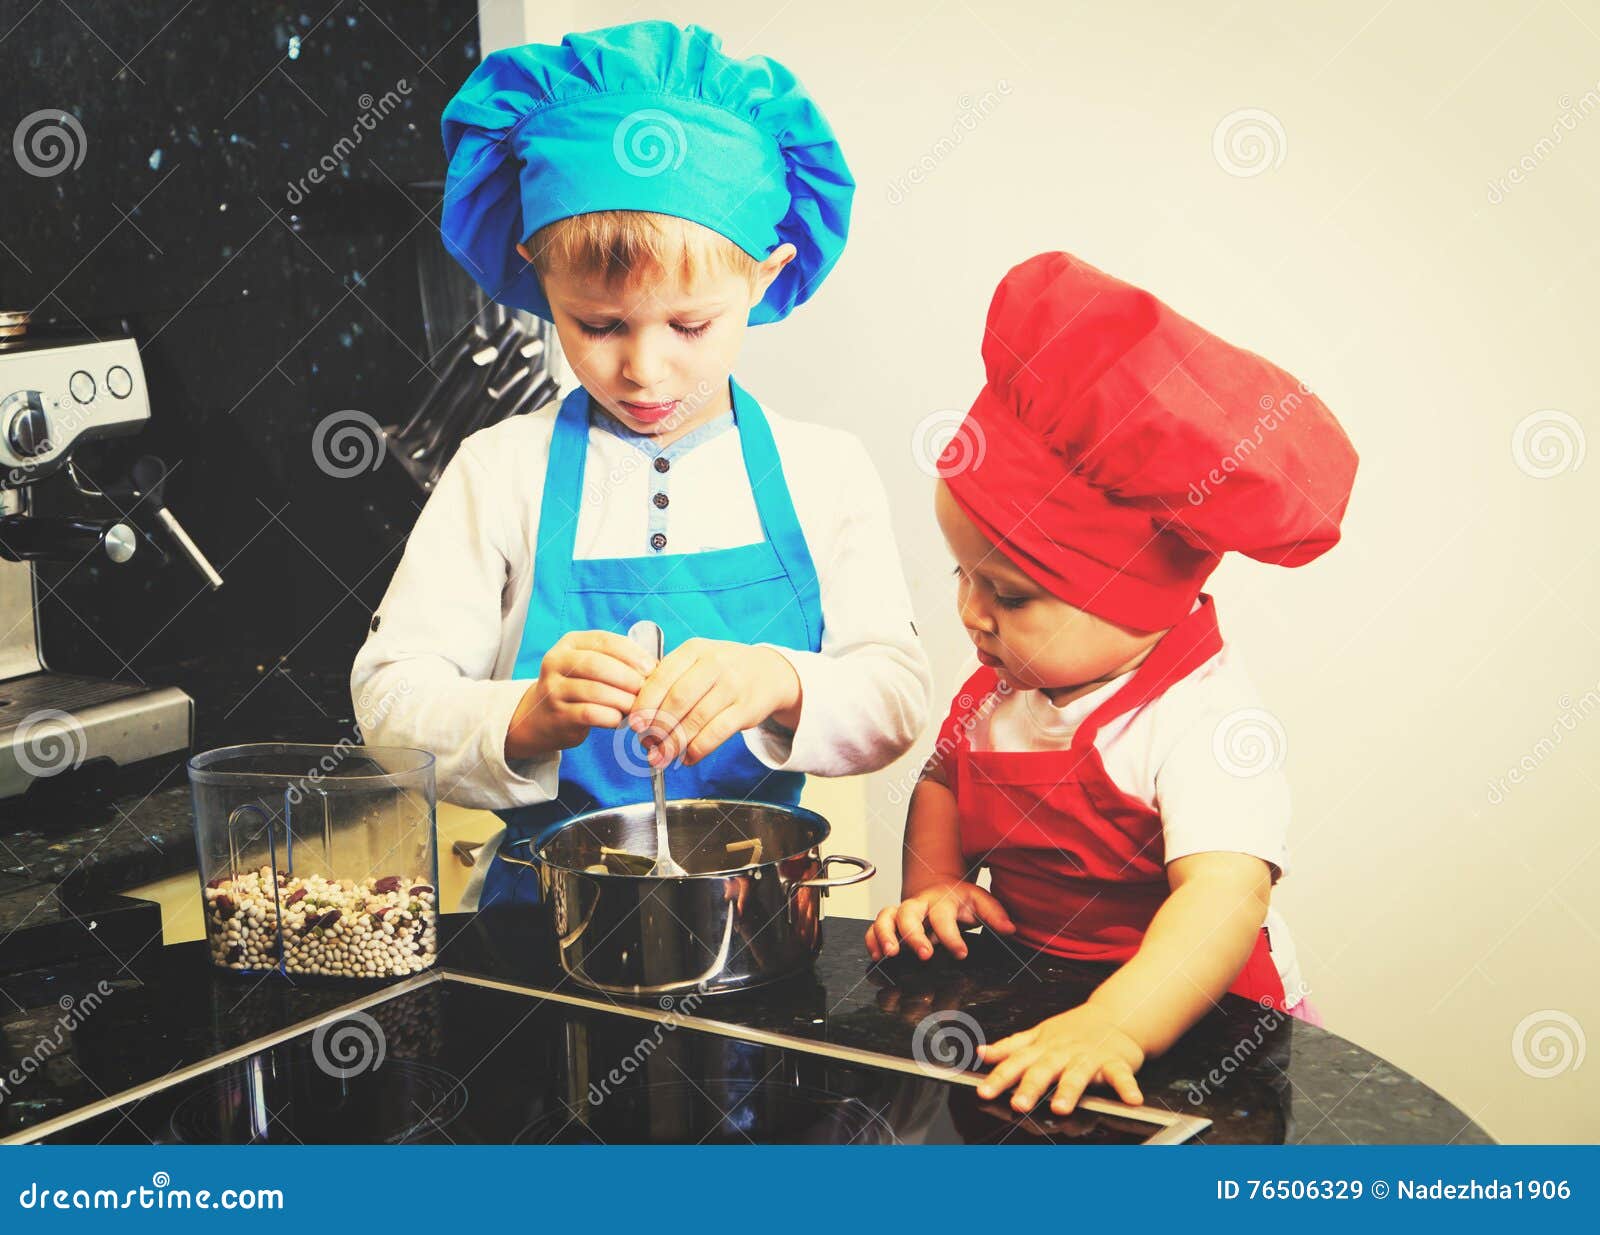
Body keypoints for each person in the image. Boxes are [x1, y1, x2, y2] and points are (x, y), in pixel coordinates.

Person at [352, 22, 931, 908]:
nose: (644, 369)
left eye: (689, 326)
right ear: (535, 277)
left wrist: (779, 680)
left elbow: (894, 699)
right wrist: (523, 716)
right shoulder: (497, 471)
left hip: (757, 918)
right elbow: (390, 702)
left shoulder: (827, 471)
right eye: (598, 325)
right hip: (541, 930)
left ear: (766, 280)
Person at [868, 250, 1358, 1114]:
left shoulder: (1201, 722)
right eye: (963, 577)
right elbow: (944, 778)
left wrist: (1120, 1025)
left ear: (1138, 600)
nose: (973, 614)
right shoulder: (1001, 682)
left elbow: (1223, 895)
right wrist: (935, 882)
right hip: (1042, 994)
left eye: (1009, 594)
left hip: (1195, 1027)